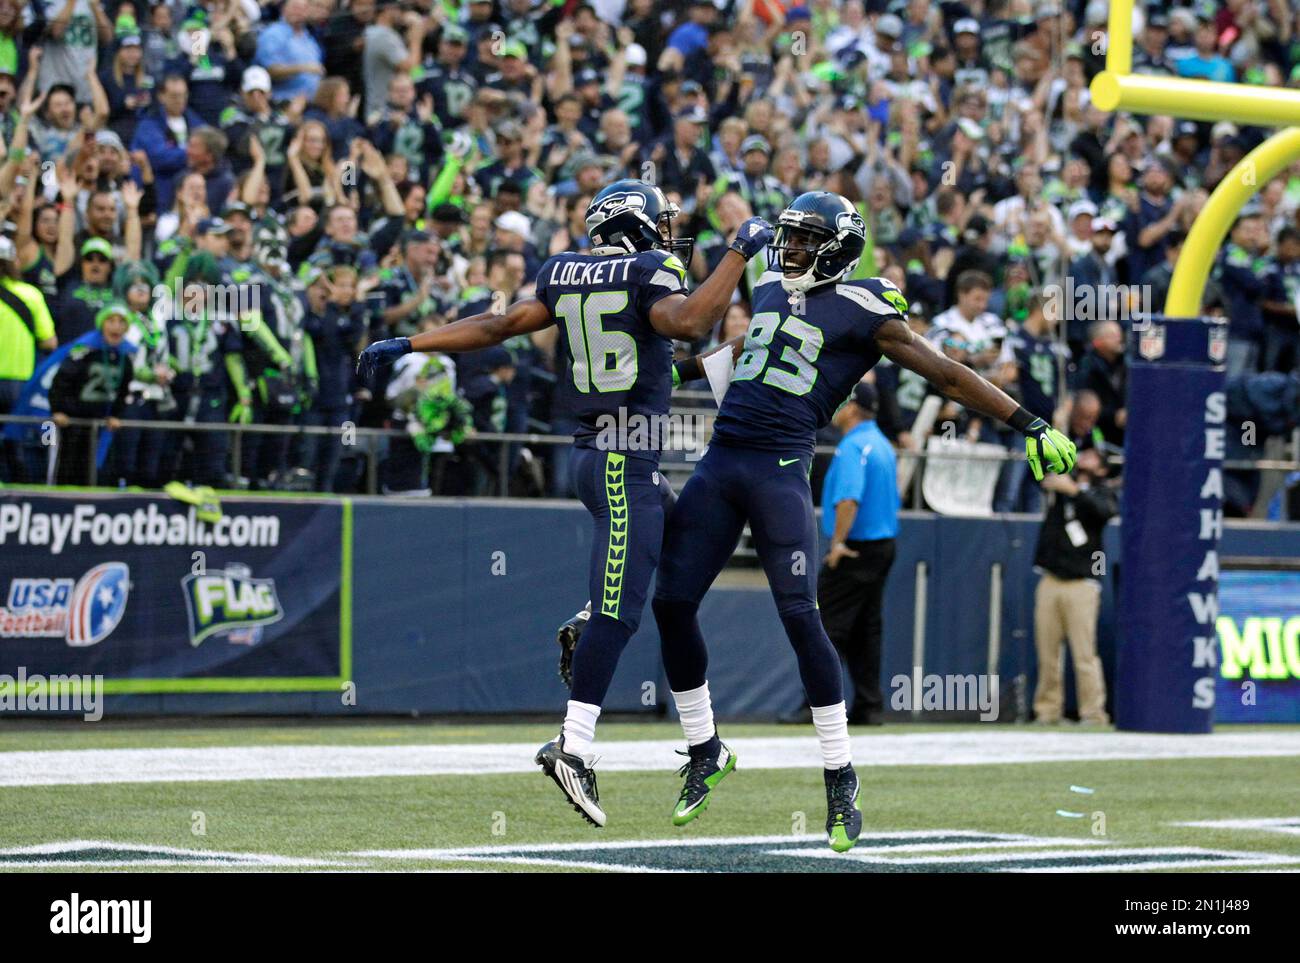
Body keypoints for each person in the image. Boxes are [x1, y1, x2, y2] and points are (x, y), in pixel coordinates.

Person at [648, 191, 1076, 853]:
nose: (788, 250)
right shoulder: (770, 287)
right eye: (786, 236)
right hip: (722, 458)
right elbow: (751, 343)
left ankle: (839, 770)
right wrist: (672, 368)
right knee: (671, 602)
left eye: (803, 240)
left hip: (780, 467)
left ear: (837, 249)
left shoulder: (866, 309)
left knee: (800, 612)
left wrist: (1027, 421)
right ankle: (705, 747)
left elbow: (948, 374)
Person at [358, 180, 774, 827]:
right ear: (637, 225)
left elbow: (501, 325)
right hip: (621, 464)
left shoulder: (564, 272)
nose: (669, 236)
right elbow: (688, 320)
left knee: (677, 588)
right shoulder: (649, 269)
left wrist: (411, 343)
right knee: (621, 611)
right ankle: (573, 746)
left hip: (594, 457)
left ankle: (706, 743)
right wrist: (741, 253)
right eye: (659, 223)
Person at [816, 380, 898, 726]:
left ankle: (817, 705)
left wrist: (837, 544)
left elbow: (849, 498)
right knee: (867, 629)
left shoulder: (853, 447)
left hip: (854, 548)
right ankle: (869, 705)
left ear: (850, 407)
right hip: (883, 546)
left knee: (826, 627)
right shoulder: (881, 444)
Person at [1031, 446, 1117, 726]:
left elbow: (1104, 512)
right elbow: (1038, 470)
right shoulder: (1060, 481)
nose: (1085, 459)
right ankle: (1047, 711)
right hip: (1052, 578)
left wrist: (1074, 491)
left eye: (1093, 457)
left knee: (1084, 654)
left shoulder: (1101, 492)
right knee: (1047, 653)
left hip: (1082, 583)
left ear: (1102, 468)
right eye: (1085, 453)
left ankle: (1093, 713)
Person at [49, 302, 134, 485]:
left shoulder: (125, 356)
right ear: (102, 324)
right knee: (68, 464)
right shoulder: (84, 349)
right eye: (111, 321)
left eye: (121, 322)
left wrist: (115, 415)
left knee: (91, 466)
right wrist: (59, 409)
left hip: (99, 421)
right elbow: (61, 380)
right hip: (73, 418)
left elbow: (123, 390)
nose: (116, 326)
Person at [0, 235, 58, 480]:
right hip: (20, 383)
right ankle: (22, 500)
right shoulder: (30, 295)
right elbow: (49, 341)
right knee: (17, 443)